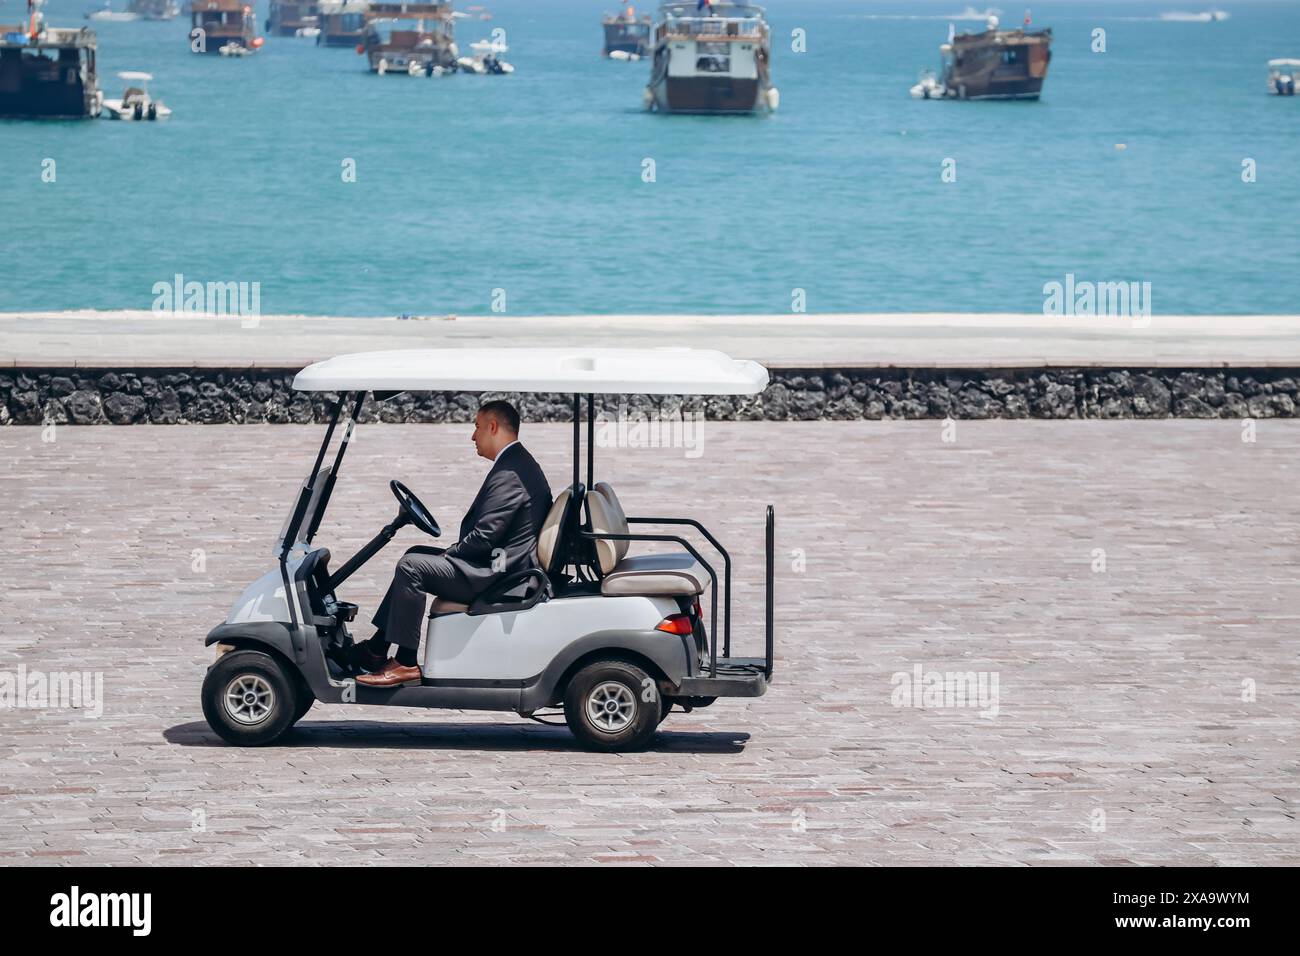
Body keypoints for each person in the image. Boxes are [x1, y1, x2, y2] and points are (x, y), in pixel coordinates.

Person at [352, 400, 552, 687]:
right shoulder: (516, 463)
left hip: (498, 574)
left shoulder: (511, 473)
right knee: (415, 554)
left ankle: (406, 662)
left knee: (412, 567)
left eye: (477, 427)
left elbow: (485, 537)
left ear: (493, 427)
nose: (473, 436)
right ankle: (377, 648)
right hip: (499, 564)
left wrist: (451, 553)